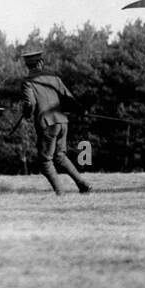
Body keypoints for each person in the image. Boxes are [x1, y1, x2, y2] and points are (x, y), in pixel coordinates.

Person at [19, 50, 92, 195]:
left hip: (47, 124)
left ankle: (60, 193)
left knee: (45, 161)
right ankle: (83, 185)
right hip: (62, 122)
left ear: (27, 65)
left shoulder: (27, 82)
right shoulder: (54, 78)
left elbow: (30, 103)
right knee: (60, 157)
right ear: (41, 62)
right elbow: (68, 98)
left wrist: (26, 113)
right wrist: (81, 110)